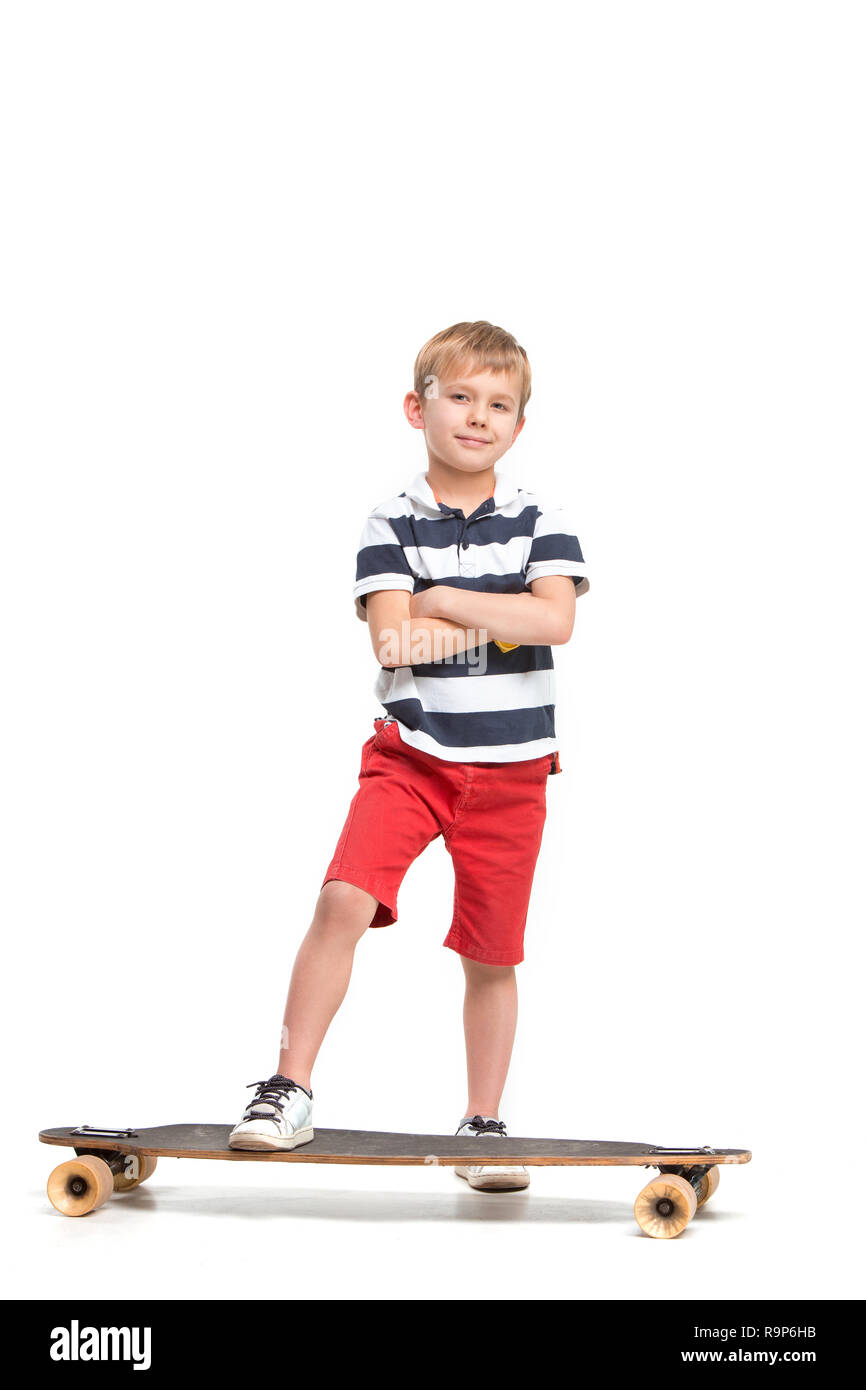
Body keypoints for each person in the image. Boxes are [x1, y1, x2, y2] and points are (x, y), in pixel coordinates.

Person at [229, 321, 589, 1191]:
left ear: (519, 424)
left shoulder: (543, 517)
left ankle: (483, 1123)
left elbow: (557, 623)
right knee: (343, 898)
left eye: (498, 404)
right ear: (416, 405)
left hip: (514, 772)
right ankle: (288, 1087)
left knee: (493, 954)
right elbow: (394, 645)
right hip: (413, 756)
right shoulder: (389, 519)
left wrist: (444, 597)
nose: (478, 417)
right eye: (459, 397)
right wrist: (493, 618)